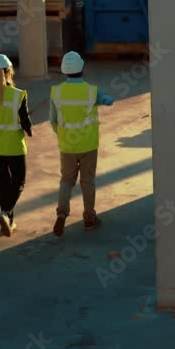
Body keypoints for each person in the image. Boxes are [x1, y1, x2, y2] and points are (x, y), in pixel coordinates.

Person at [49, 51, 114, 237]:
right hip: (88, 145)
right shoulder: (91, 91)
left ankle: (62, 214)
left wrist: (62, 135)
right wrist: (104, 100)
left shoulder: (56, 91)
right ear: (82, 68)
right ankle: (89, 218)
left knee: (66, 181)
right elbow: (108, 101)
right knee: (87, 181)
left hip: (67, 146)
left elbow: (52, 120)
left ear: (64, 70)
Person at [0, 54, 32, 237]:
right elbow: (26, 121)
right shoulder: (18, 95)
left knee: (3, 181)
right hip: (14, 146)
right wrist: (29, 131)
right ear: (9, 71)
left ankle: (9, 220)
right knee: (19, 181)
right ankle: (6, 212)